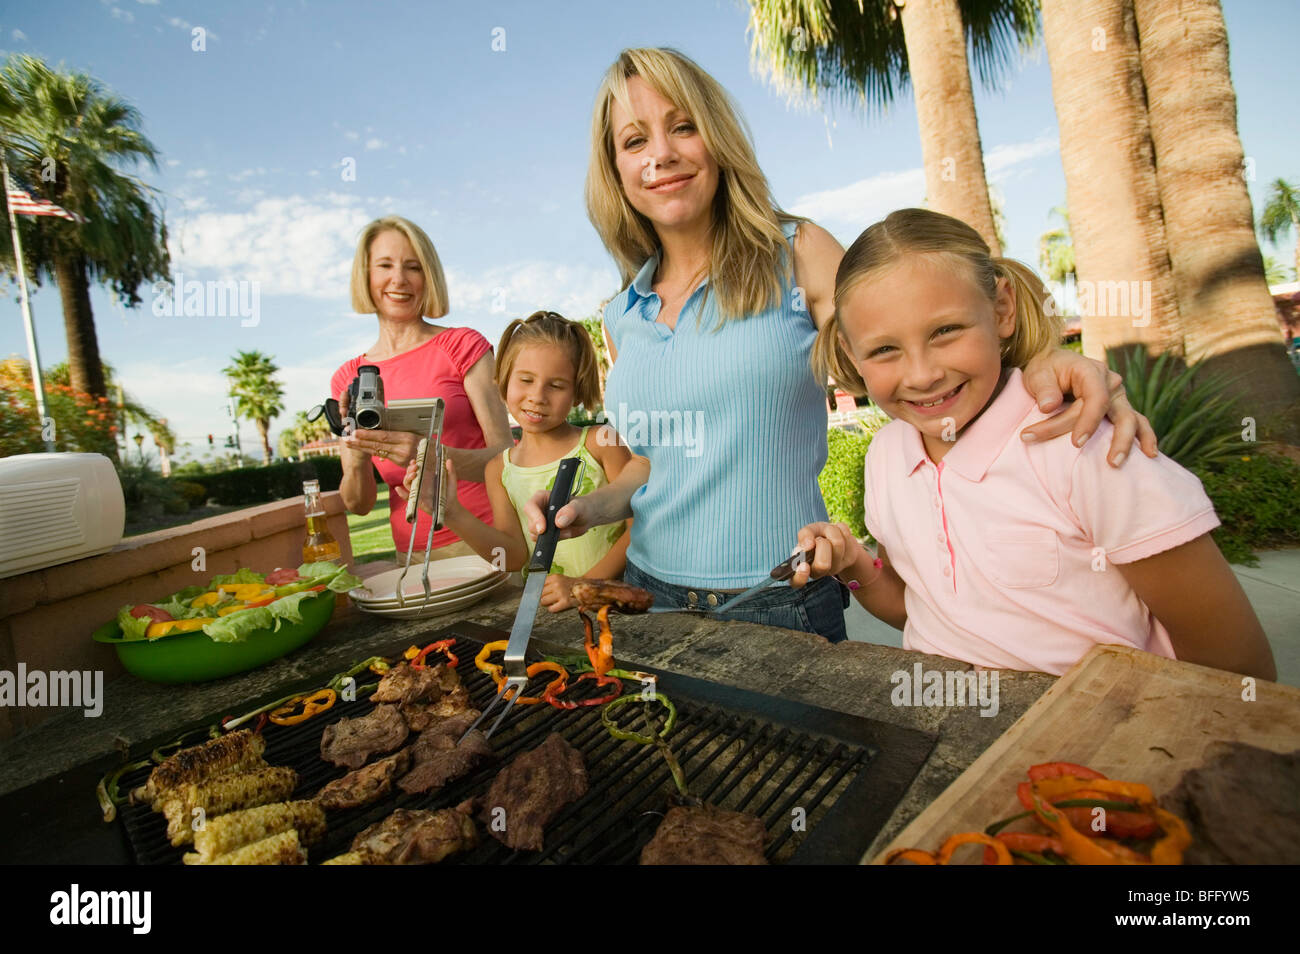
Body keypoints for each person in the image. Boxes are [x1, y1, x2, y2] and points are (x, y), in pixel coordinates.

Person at [526, 47, 1157, 644]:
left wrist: (1045, 358)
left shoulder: (796, 252)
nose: (660, 155)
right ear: (616, 171)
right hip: (646, 594)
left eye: (682, 127)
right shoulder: (620, 315)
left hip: (778, 597)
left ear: (717, 141)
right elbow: (647, 462)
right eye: (635, 141)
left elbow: (918, 332)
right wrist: (588, 507)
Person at [790, 208, 1275, 679]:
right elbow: (916, 610)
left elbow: (1235, 669)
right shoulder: (886, 456)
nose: (922, 374)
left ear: (1002, 309)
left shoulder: (1085, 446)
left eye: (946, 331)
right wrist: (856, 566)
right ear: (851, 354)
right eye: (884, 350)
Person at [398, 311, 632, 611]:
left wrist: (582, 587)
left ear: (576, 392)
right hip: (552, 617)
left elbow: (640, 530)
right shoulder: (499, 469)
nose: (537, 396)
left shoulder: (600, 443)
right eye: (526, 380)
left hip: (618, 608)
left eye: (557, 385)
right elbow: (512, 557)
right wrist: (452, 512)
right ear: (504, 380)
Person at [331, 216, 513, 562]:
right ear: (365, 275)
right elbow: (359, 505)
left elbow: (507, 459)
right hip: (412, 558)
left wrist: (431, 455)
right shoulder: (349, 378)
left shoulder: (463, 346)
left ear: (427, 277)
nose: (398, 279)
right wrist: (355, 464)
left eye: (412, 267)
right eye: (384, 265)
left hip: (486, 541)